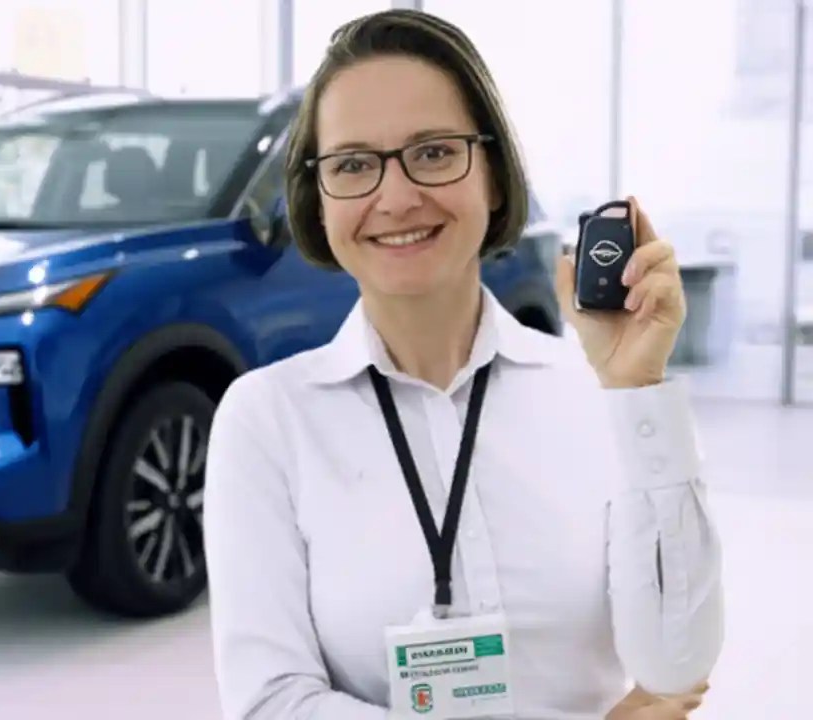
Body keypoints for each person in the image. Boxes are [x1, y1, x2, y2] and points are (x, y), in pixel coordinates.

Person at [203, 9, 724, 720]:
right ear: (318, 200)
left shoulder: (597, 395)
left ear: (496, 177)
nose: (395, 197)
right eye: (353, 164)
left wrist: (636, 390)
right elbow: (270, 704)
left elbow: (677, 663)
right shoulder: (267, 419)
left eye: (434, 152)